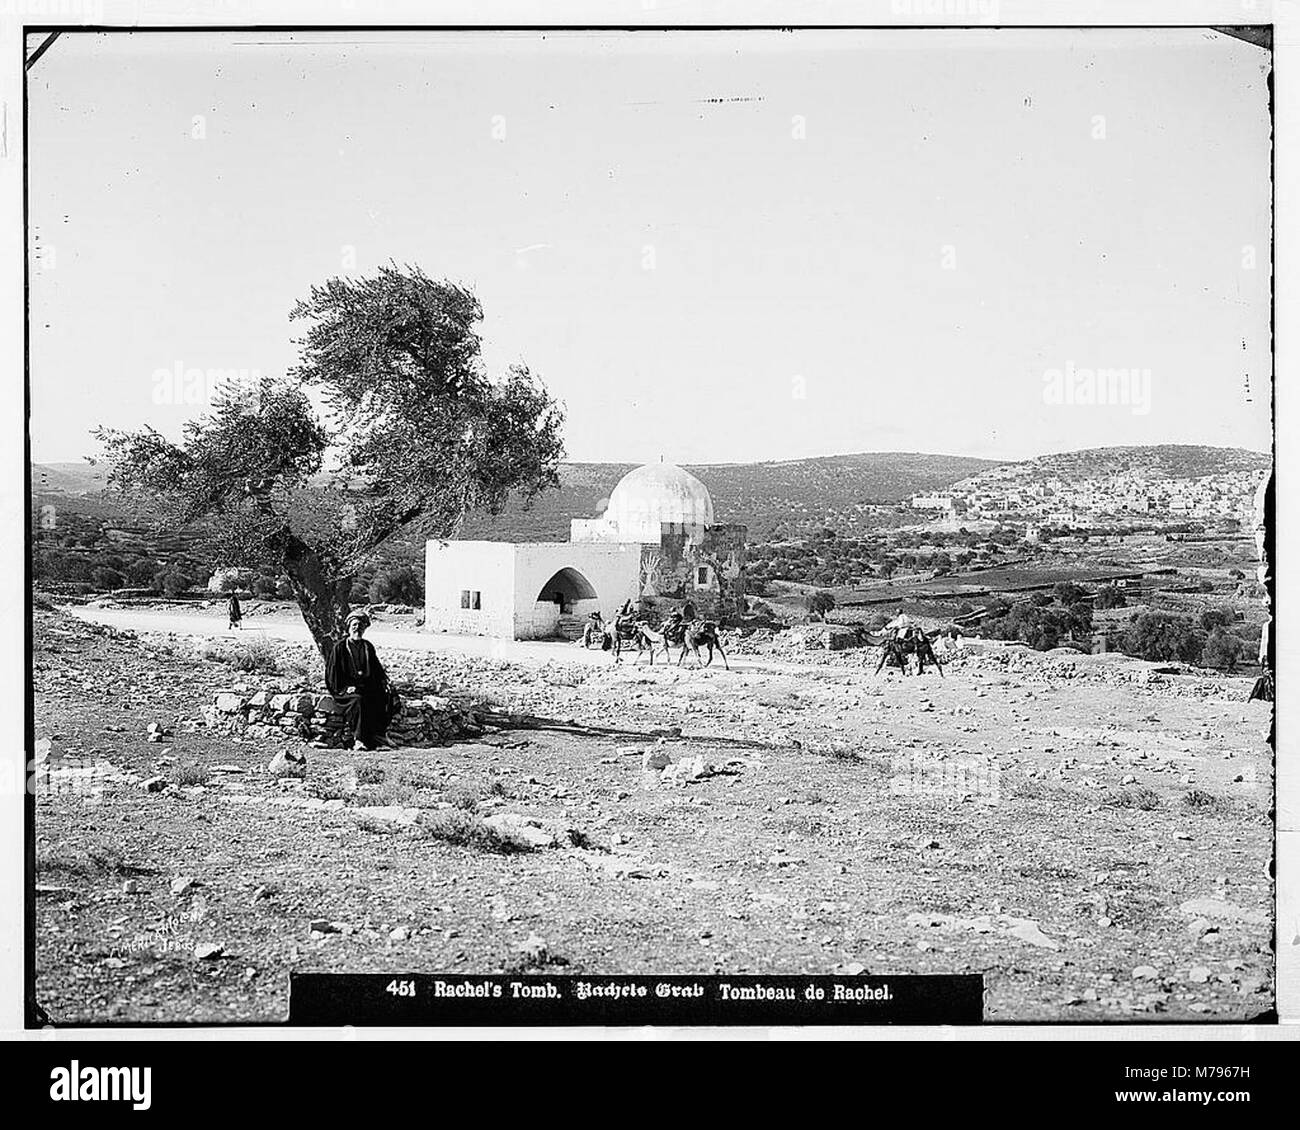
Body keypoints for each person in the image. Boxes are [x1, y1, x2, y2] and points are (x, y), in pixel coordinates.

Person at [325, 611, 392, 751]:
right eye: (354, 625)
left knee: (384, 698)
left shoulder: (368, 646)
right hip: (345, 689)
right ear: (349, 628)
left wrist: (384, 683)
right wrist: (344, 688)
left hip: (364, 686)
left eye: (361, 626)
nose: (357, 628)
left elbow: (376, 670)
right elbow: (332, 674)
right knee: (358, 701)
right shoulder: (340, 648)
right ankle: (359, 739)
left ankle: (380, 736)